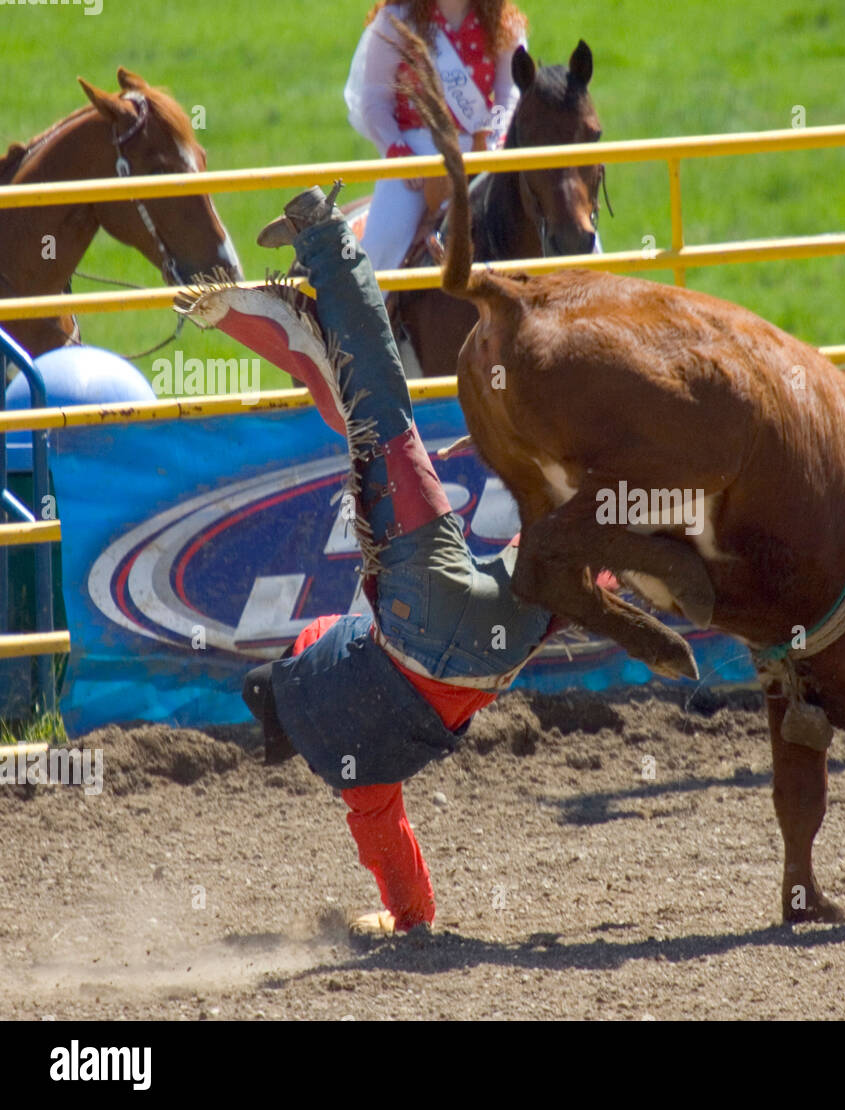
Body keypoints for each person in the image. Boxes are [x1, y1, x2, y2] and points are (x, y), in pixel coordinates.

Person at [241, 183, 556, 938]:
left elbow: (407, 892)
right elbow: (333, 628)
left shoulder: (361, 785)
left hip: (494, 657)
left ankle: (671, 512)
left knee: (581, 547)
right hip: (422, 612)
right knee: (381, 408)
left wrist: (404, 920)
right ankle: (321, 234)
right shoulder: (310, 657)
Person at [345, 0, 528, 274]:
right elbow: (374, 102)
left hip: (484, 152)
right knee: (384, 241)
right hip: (416, 153)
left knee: (554, 218)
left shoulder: (503, 22)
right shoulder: (397, 20)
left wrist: (497, 139)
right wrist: (398, 153)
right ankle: (365, 313)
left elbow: (509, 93)